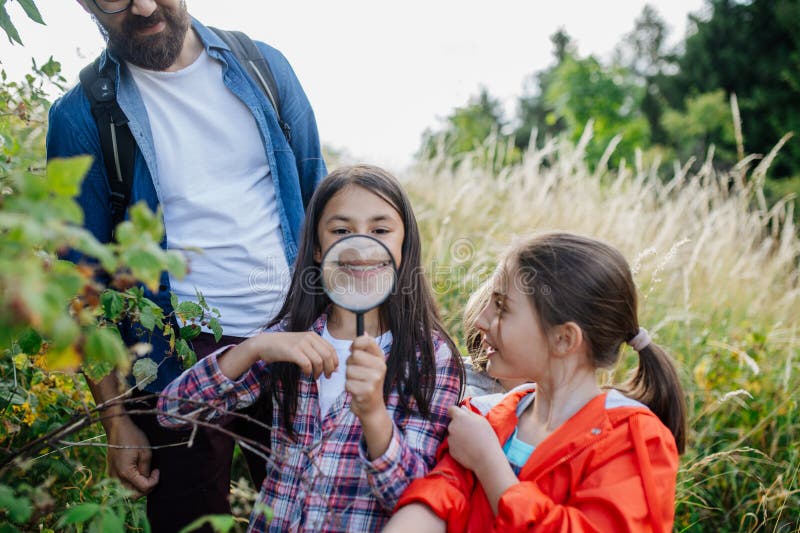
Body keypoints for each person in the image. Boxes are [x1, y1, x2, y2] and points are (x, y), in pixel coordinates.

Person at [46, 1, 325, 531]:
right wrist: (116, 418)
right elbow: (82, 284)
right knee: (190, 522)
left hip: (298, 341)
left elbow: (325, 202)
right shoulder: (81, 116)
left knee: (312, 517)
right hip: (177, 366)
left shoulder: (264, 68)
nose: (144, 6)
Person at [157, 164, 465, 531]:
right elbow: (172, 414)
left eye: (380, 230)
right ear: (317, 249)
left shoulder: (431, 357)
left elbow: (415, 501)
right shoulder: (288, 340)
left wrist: (374, 414)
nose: (361, 247)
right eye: (341, 231)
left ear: (403, 245)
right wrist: (252, 348)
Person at [386, 232, 686, 532]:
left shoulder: (630, 439)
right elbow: (439, 496)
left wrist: (489, 464)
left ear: (563, 339)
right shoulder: (487, 417)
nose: (481, 320)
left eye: (502, 307)